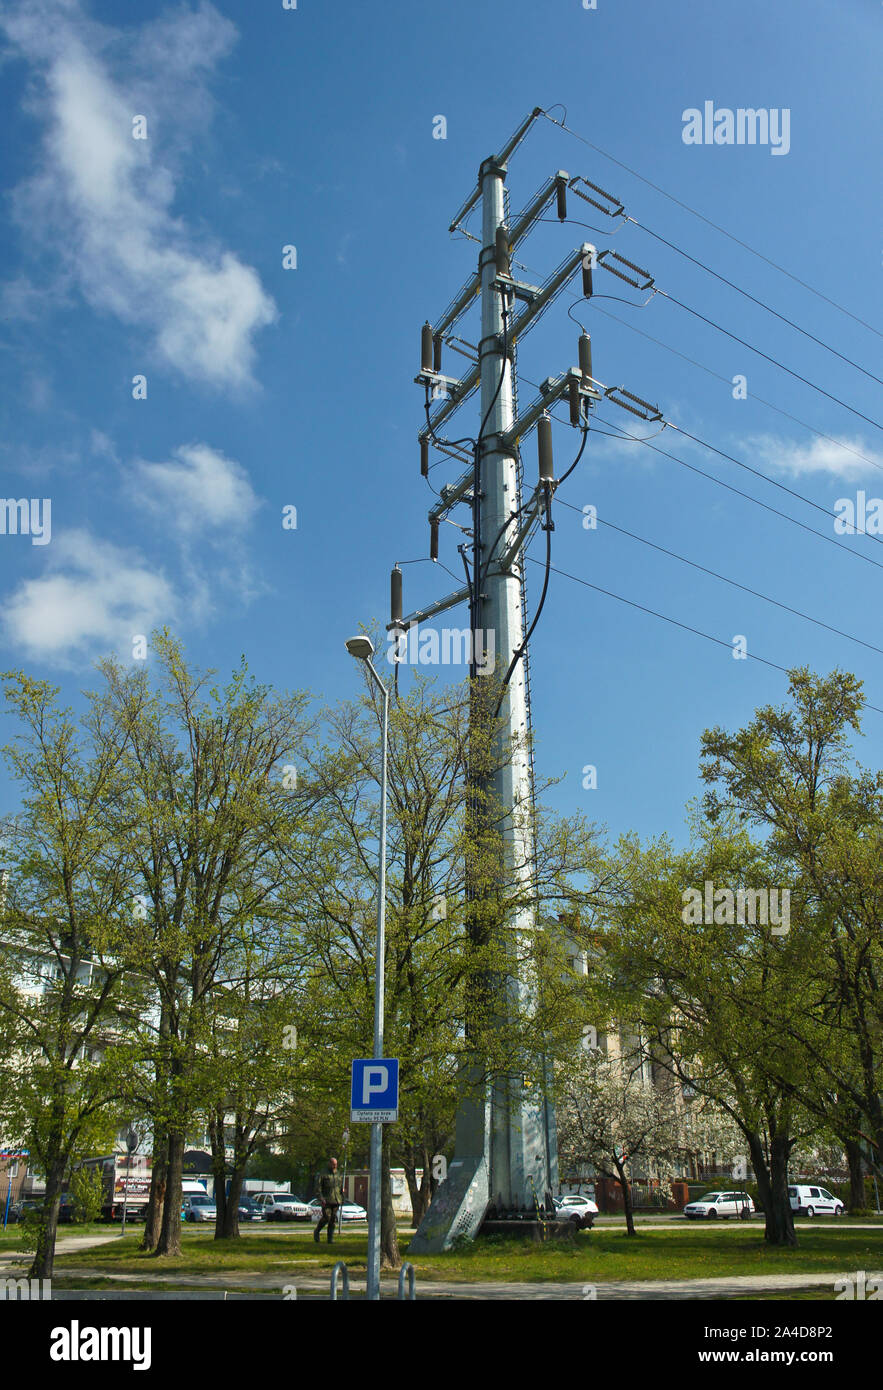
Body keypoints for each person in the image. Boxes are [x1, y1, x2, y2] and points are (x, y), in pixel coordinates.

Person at [314, 1157, 343, 1243]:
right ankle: (317, 1231)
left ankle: (330, 1239)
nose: (335, 1166)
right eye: (333, 1164)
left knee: (333, 1219)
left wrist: (342, 1194)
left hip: (336, 1199)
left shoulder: (338, 1174)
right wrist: (321, 1198)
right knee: (327, 1217)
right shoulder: (323, 1174)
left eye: (336, 1164)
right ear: (329, 1164)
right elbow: (318, 1187)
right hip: (326, 1200)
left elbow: (340, 1186)